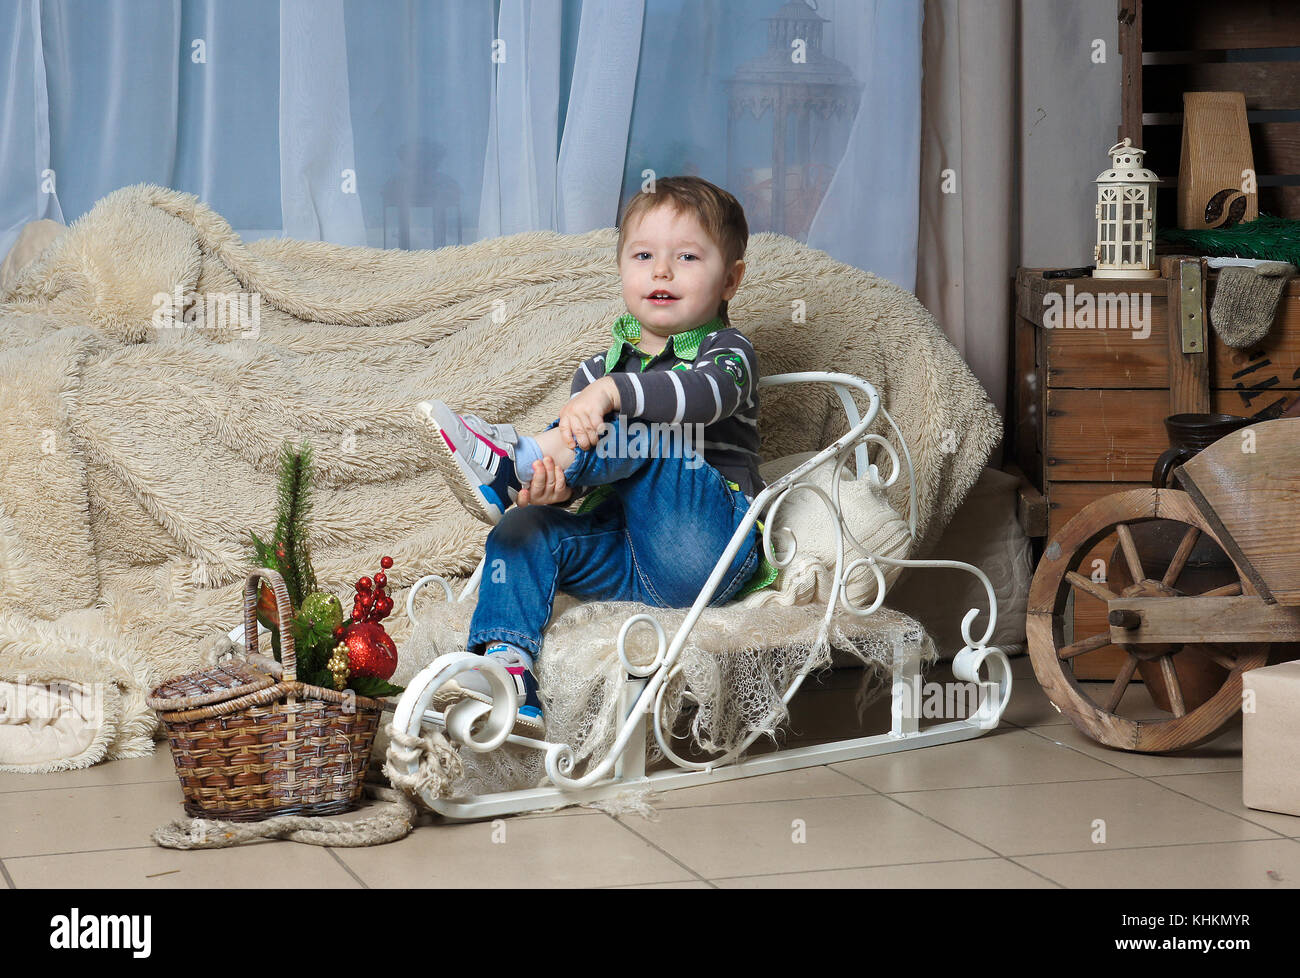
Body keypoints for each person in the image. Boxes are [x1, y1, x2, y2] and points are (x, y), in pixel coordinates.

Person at [417, 176, 771, 734]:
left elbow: (702, 400)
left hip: (707, 550)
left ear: (730, 279)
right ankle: (508, 673)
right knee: (525, 526)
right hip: (628, 556)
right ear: (622, 268)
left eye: (687, 257)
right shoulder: (596, 369)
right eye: (644, 255)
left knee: (646, 427)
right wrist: (558, 486)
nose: (662, 271)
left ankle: (518, 460)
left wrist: (612, 393)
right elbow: (590, 464)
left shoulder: (728, 353)